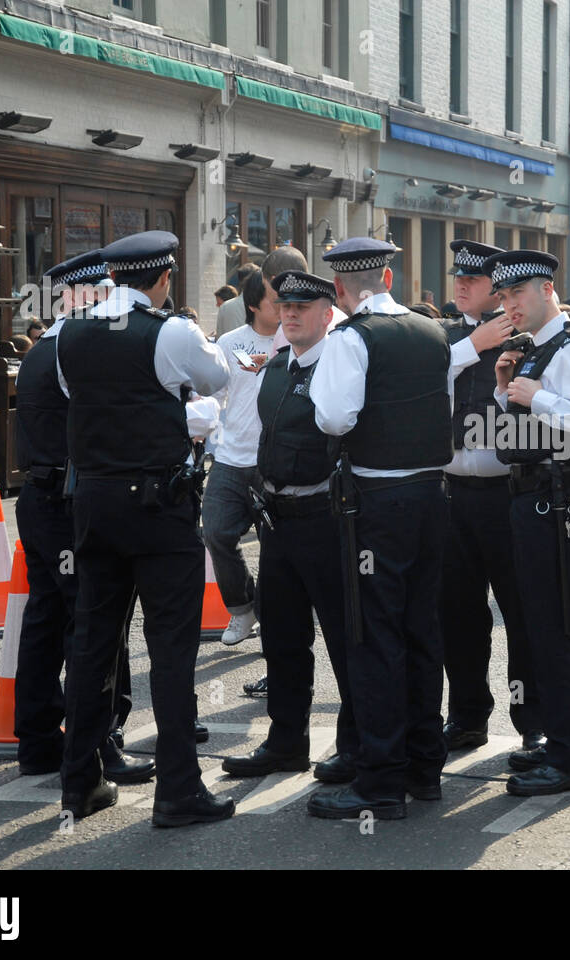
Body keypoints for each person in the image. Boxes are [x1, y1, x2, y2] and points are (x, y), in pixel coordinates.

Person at [56, 230, 234, 826]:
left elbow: (77, 396)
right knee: (172, 649)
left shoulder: (69, 334)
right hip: (158, 510)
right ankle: (179, 791)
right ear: (163, 278)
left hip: (94, 504)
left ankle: (79, 783)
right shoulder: (172, 331)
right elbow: (216, 381)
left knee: (92, 645)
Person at [307, 237, 453, 820]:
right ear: (388, 279)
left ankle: (382, 780)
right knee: (422, 629)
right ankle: (424, 766)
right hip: (431, 495)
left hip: (380, 499)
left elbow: (334, 417)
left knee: (375, 636)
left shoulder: (349, 338)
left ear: (340, 291)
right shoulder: (431, 331)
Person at [12, 249, 151, 785]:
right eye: (103, 292)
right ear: (84, 295)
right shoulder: (76, 351)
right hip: (71, 501)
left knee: (47, 621)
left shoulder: (46, 347)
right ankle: (99, 746)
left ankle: (40, 741)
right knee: (95, 624)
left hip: (41, 498)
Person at [487, 248, 570, 794]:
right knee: (541, 627)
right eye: (503, 296)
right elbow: (525, 433)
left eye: (517, 293)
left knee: (560, 629)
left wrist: (539, 397)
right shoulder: (536, 351)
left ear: (547, 289)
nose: (509, 305)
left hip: (559, 500)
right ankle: (559, 743)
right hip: (532, 499)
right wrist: (506, 393)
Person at [220, 270, 358, 782]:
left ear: (328, 313)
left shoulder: (339, 366)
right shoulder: (276, 367)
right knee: (281, 638)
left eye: (305, 306)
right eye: (287, 305)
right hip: (277, 521)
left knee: (345, 638)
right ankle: (285, 744)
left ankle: (355, 745)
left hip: (325, 519)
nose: (293, 313)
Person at [438, 239, 545, 757]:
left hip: (507, 492)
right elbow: (415, 388)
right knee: (457, 613)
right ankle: (466, 716)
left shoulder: (528, 341)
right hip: (453, 491)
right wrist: (470, 345)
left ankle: (533, 722)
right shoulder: (440, 337)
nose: (461, 285)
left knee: (522, 611)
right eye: (457, 277)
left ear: (499, 290)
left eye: (473, 280)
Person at [205, 251, 306, 650]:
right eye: (273, 300)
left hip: (276, 463)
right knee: (216, 534)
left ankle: (272, 621)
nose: (283, 307)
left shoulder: (298, 340)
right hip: (232, 459)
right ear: (253, 304)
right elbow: (213, 393)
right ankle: (241, 606)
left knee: (275, 551)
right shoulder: (231, 343)